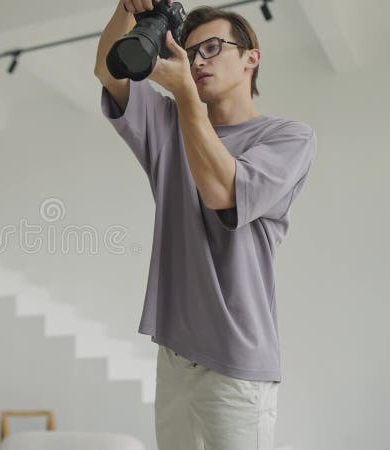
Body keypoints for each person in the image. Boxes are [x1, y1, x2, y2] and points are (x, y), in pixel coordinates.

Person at [95, 1, 317, 449]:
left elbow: (223, 192)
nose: (198, 61)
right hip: (174, 355)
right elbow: (107, 70)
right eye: (192, 51)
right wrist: (127, 9)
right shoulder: (167, 123)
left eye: (213, 48)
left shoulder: (287, 137)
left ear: (251, 56)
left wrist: (184, 97)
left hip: (235, 359)